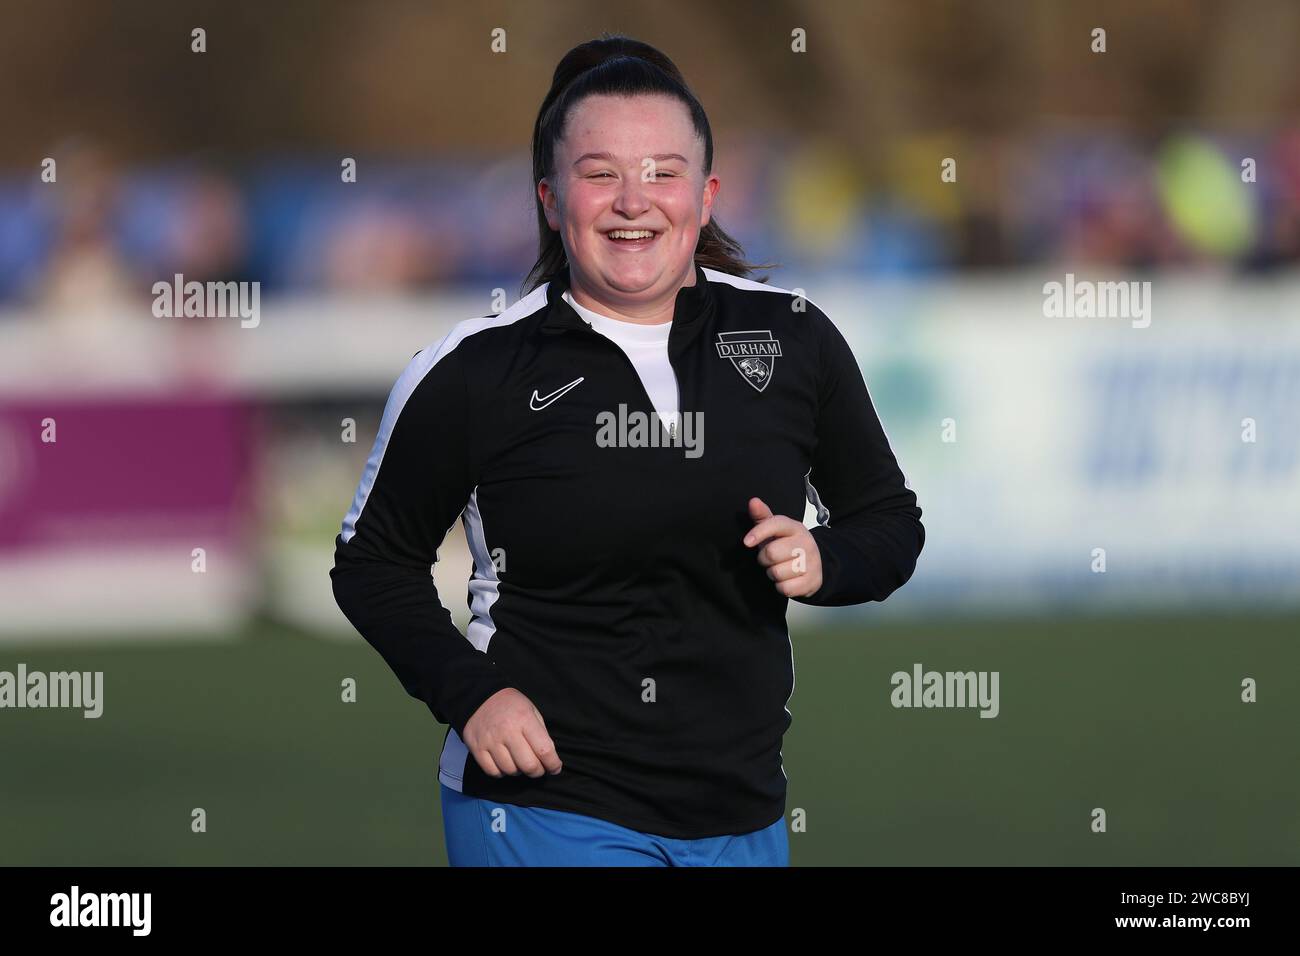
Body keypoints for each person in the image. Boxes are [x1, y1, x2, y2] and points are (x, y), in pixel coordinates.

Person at [330, 34, 924, 867]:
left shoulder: (792, 338)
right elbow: (370, 562)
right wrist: (474, 695)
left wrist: (825, 560)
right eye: (600, 172)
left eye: (663, 172)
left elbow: (890, 523)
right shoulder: (477, 371)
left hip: (741, 811)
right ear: (549, 195)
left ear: (707, 193)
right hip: (545, 808)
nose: (632, 201)